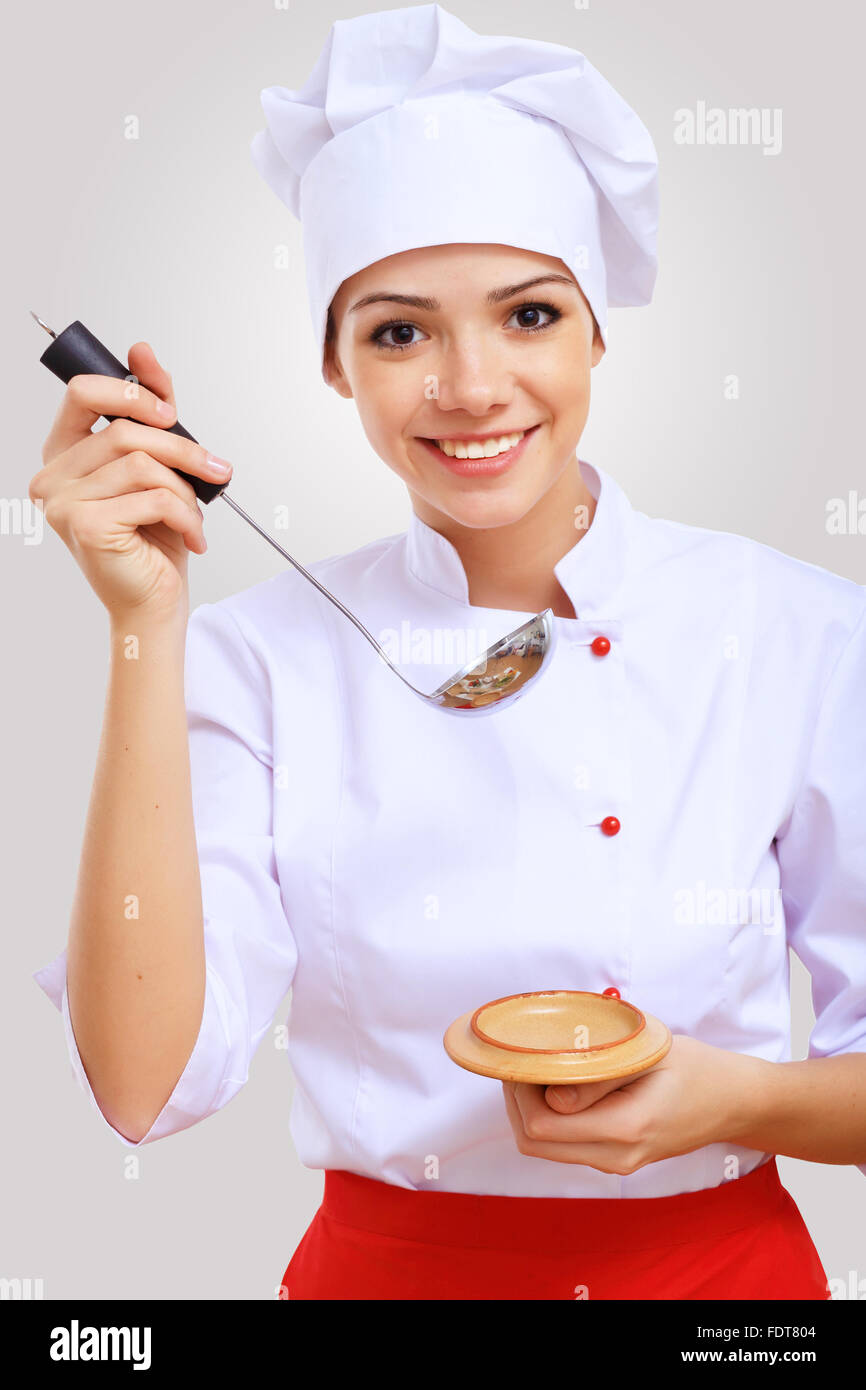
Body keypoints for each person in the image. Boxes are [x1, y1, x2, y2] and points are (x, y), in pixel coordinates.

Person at [32, 4, 866, 1300]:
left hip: (718, 1288)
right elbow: (141, 1090)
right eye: (399, 330)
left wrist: (733, 1098)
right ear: (333, 365)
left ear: (598, 329)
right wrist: (145, 626)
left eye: (528, 315)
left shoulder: (796, 631)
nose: (471, 386)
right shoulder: (261, 658)